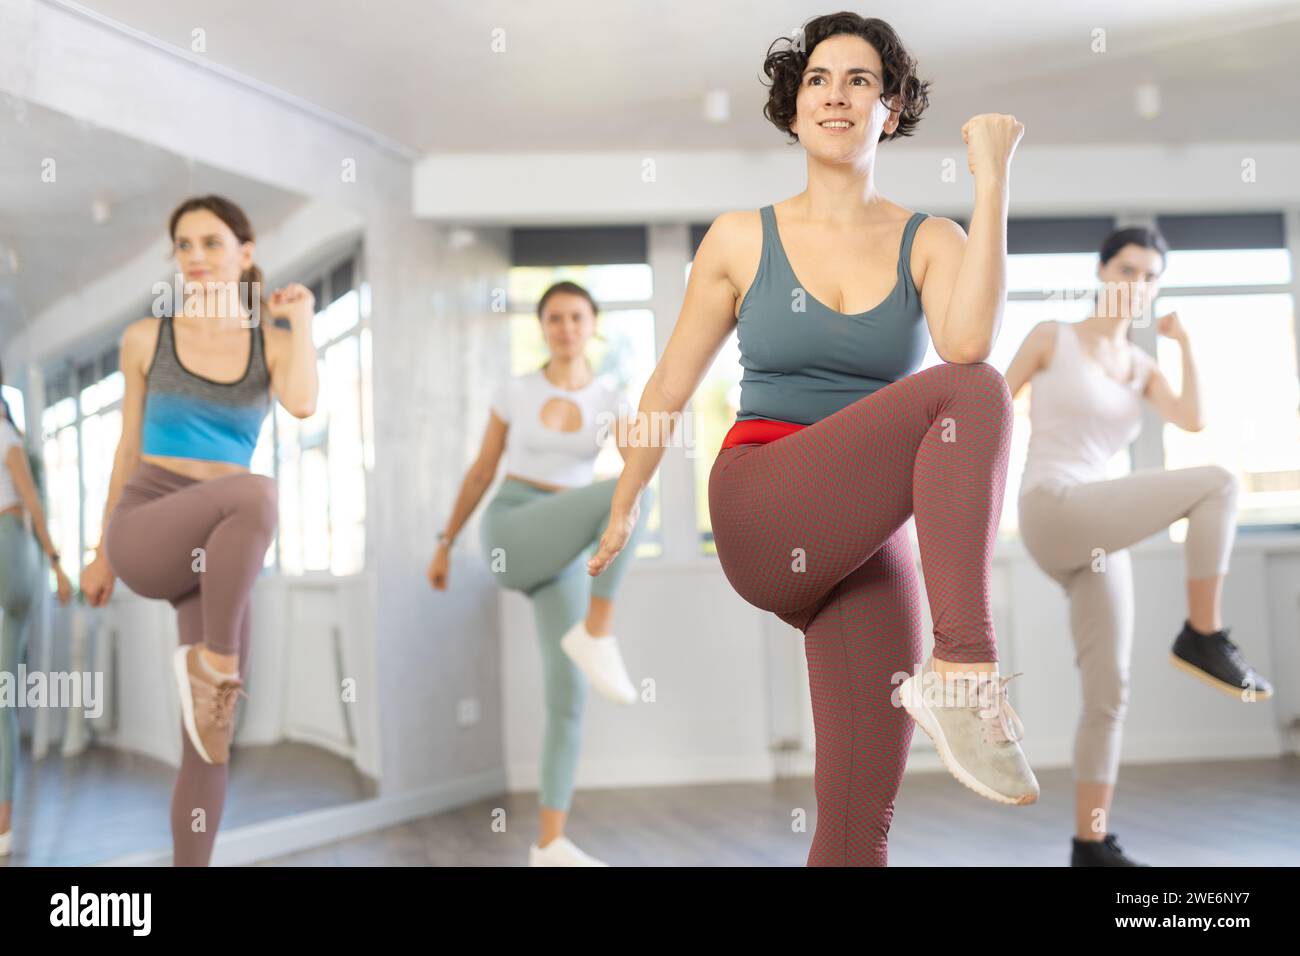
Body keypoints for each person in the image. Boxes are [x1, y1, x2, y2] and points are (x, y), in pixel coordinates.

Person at [586, 13, 1036, 866]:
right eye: (818, 80)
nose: (837, 95)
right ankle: (966, 669)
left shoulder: (930, 239)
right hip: (765, 501)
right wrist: (625, 499)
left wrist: (990, 182)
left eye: (861, 80)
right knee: (969, 395)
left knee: (860, 818)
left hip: (864, 535)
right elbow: (669, 385)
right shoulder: (741, 236)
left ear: (890, 110)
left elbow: (968, 343)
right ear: (793, 111)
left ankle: (954, 672)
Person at [1005, 226, 1273, 866]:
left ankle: (1089, 844)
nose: (1138, 285)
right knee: (1218, 485)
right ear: (1102, 273)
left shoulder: (1142, 366)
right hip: (1051, 504)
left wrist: (1185, 344)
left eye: (1151, 276)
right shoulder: (1053, 337)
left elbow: (1193, 418)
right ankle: (1203, 635)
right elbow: (990, 406)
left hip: (1098, 530)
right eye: (1127, 270)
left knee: (1109, 694)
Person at [79, 195, 319, 866]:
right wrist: (101, 556)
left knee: (210, 736)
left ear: (245, 253)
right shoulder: (145, 339)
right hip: (149, 521)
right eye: (183, 246)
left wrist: (300, 322)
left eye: (211, 243)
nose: (196, 258)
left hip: (224, 546)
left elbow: (302, 402)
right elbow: (127, 452)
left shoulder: (270, 343)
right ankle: (216, 662)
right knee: (259, 494)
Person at [428, 281, 654, 867]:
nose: (565, 327)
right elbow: (481, 471)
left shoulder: (611, 396)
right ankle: (599, 631)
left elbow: (639, 469)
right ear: (543, 327)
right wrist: (445, 543)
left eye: (576, 316)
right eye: (554, 317)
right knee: (627, 493)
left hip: (563, 551)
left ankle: (550, 844)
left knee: (569, 693)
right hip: (514, 528)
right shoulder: (516, 390)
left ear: (593, 324)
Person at [0, 365, 73, 857]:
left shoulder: (3, 432)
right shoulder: (8, 432)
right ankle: (3, 828)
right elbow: (31, 502)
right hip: (19, 555)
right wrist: (55, 565)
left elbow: (29, 498)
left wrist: (56, 561)